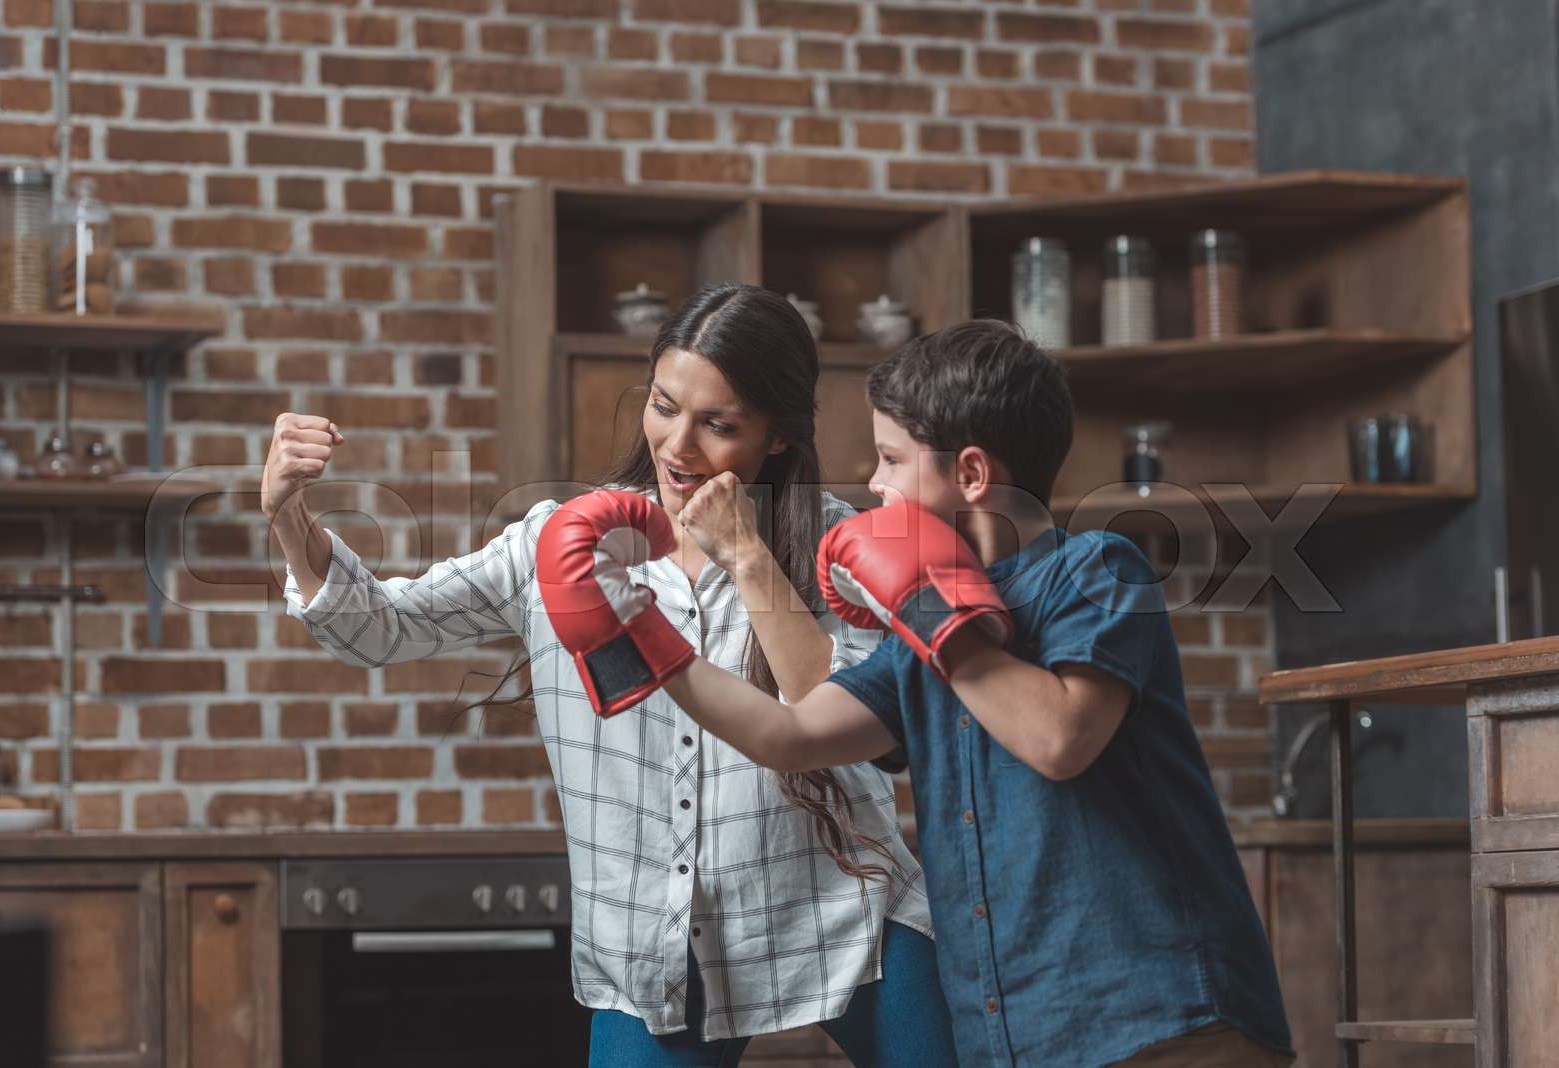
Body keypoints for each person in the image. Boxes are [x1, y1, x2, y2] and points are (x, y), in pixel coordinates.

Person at [537, 320, 1296, 1067]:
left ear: (968, 475)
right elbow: (789, 735)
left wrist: (929, 610)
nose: (872, 485)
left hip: (1164, 1018)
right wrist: (638, 638)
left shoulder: (1095, 570)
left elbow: (1061, 739)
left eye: (891, 459)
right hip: (1022, 1032)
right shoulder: (917, 636)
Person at [261, 283, 959, 1068]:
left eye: (718, 424)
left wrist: (748, 557)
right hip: (656, 944)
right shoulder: (559, 542)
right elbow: (384, 628)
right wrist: (289, 518)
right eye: (664, 406)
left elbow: (844, 723)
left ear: (775, 439)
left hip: (847, 910)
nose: (679, 446)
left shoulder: (844, 544)